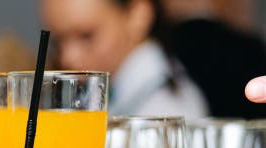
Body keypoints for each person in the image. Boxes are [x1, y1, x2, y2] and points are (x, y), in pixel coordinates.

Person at [40, 0, 208, 118]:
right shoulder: (103, 93)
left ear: (138, 15)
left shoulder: (165, 109)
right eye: (57, 42)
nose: (68, 57)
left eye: (86, 36)